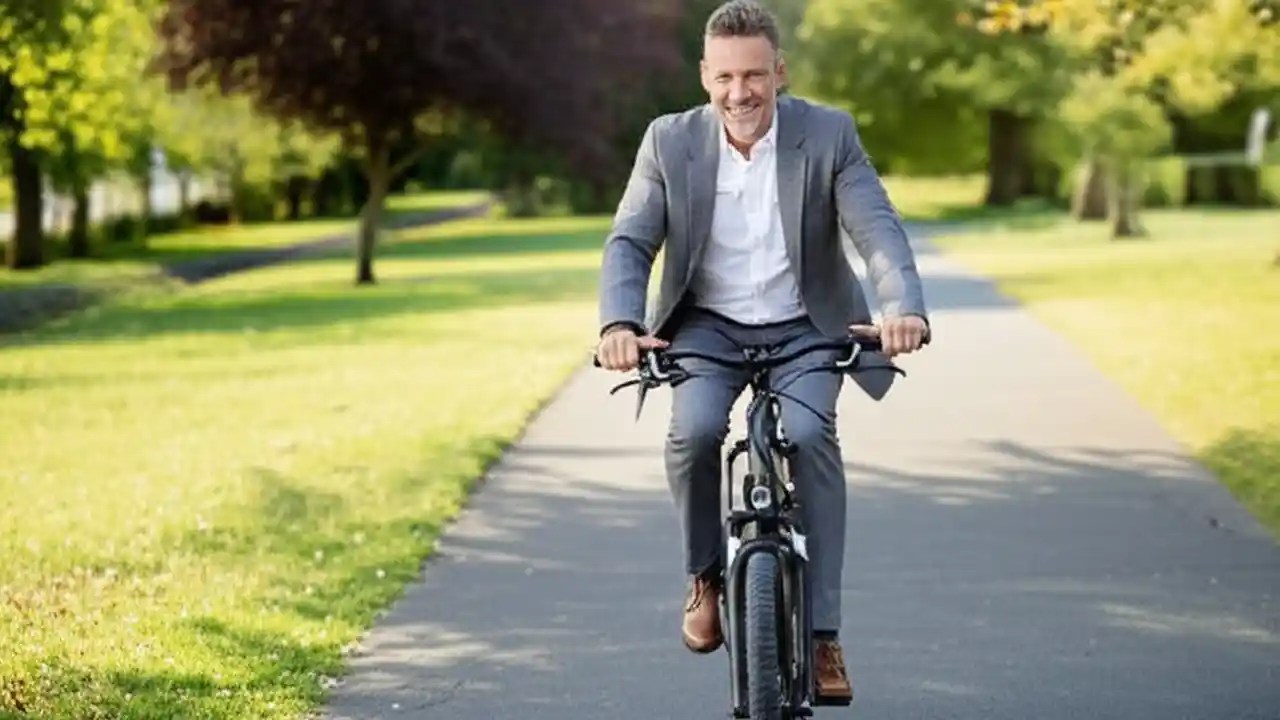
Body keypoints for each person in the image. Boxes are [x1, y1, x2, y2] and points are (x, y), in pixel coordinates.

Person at [595, 0, 929, 702]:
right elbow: (631, 239)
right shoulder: (669, 141)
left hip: (806, 327)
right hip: (706, 329)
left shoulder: (829, 133)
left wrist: (902, 309)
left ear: (779, 72)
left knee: (809, 435)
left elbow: (878, 232)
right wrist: (618, 324)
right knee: (694, 432)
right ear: (704, 76)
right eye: (724, 77)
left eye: (753, 75)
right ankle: (704, 577)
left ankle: (825, 634)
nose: (738, 92)